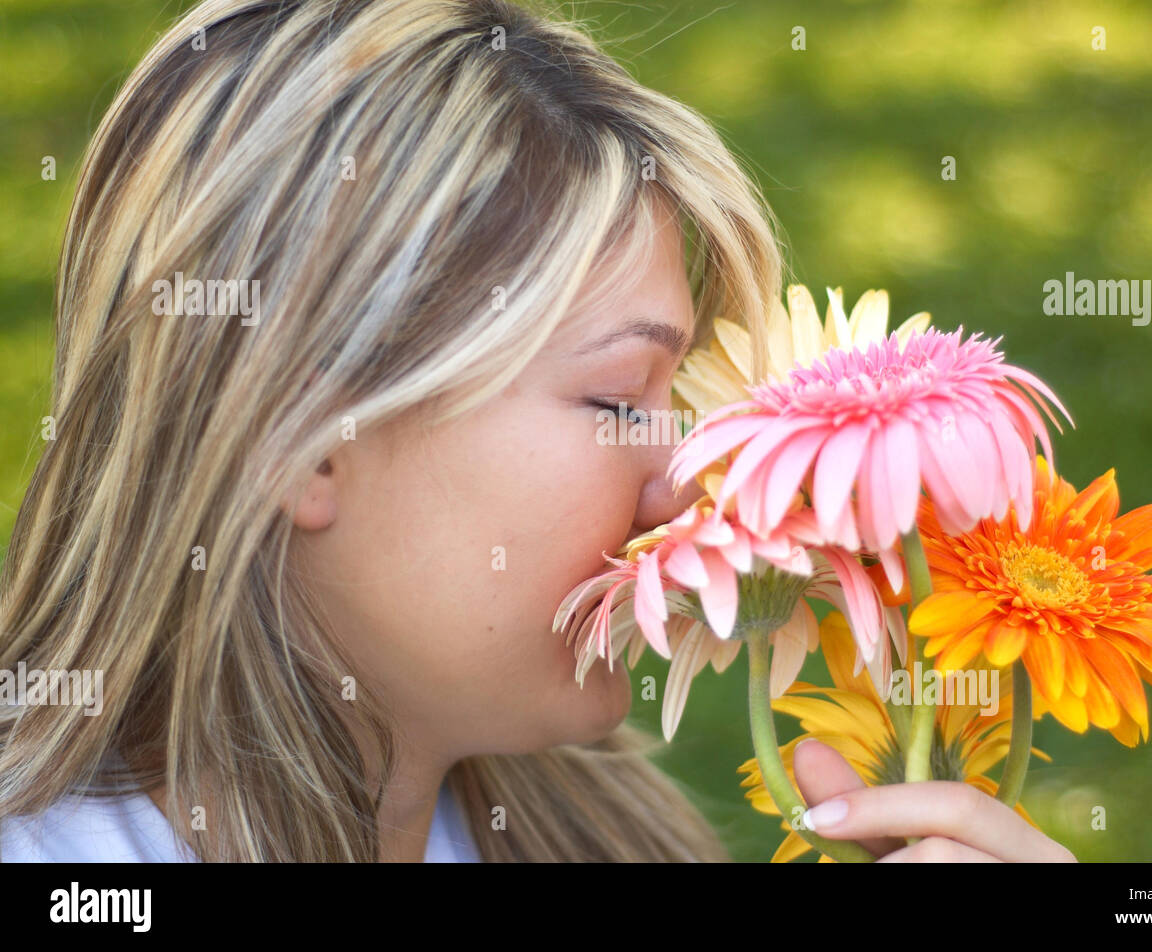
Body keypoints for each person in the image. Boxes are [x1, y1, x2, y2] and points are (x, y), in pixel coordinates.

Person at [0, 0, 1073, 862]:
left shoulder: (596, 830)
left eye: (682, 405)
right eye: (619, 402)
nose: (698, 487)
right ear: (300, 438)